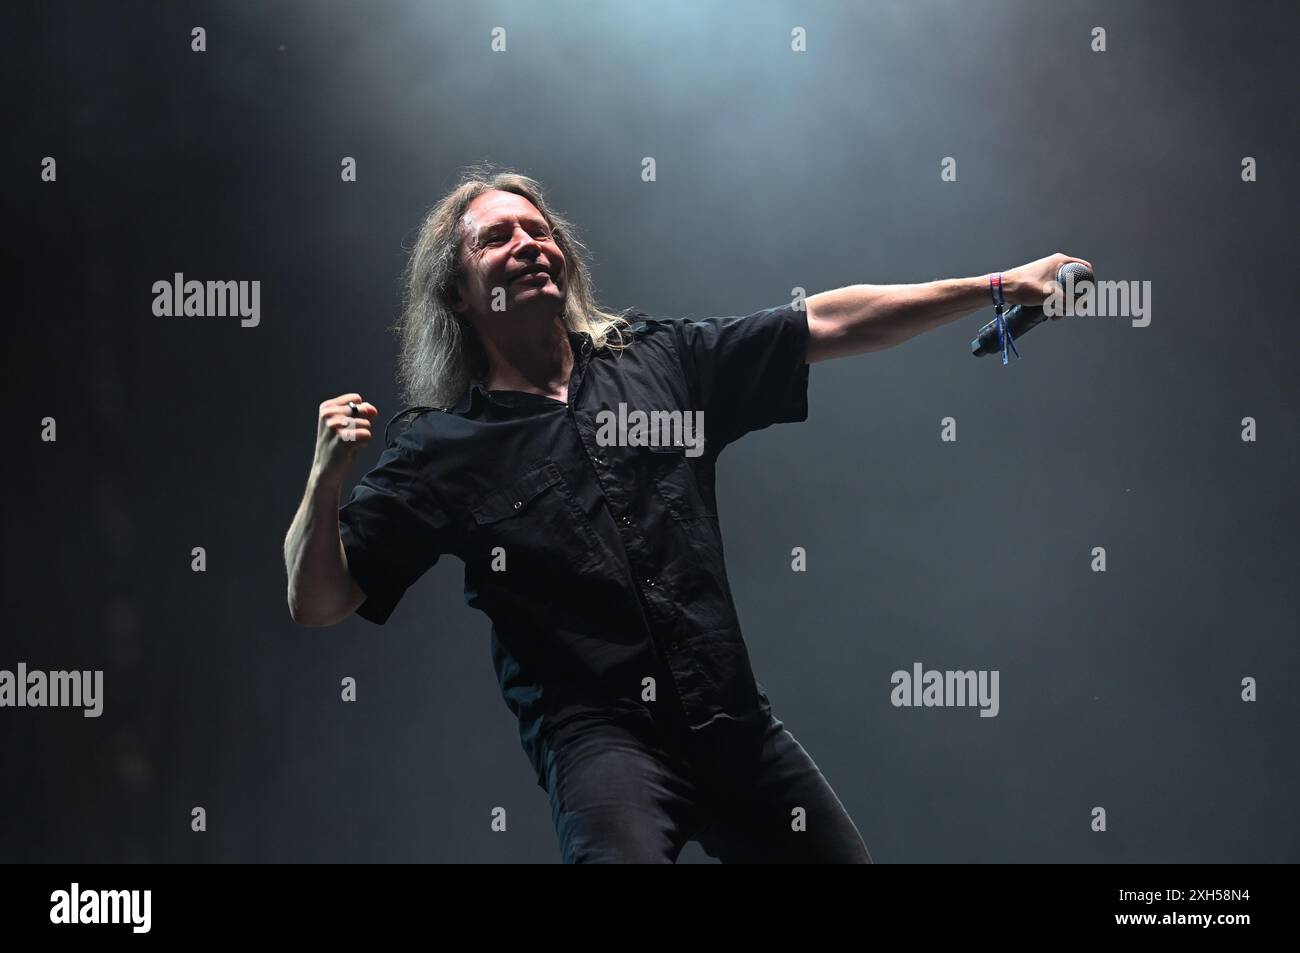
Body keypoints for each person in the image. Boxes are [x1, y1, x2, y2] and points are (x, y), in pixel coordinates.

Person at [283, 163, 1090, 863]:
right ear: (458, 294)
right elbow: (319, 599)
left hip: (733, 722)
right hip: (606, 747)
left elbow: (829, 319)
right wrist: (325, 482)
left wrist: (998, 284)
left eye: (539, 229)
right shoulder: (443, 447)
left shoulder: (661, 362)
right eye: (496, 238)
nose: (529, 243)